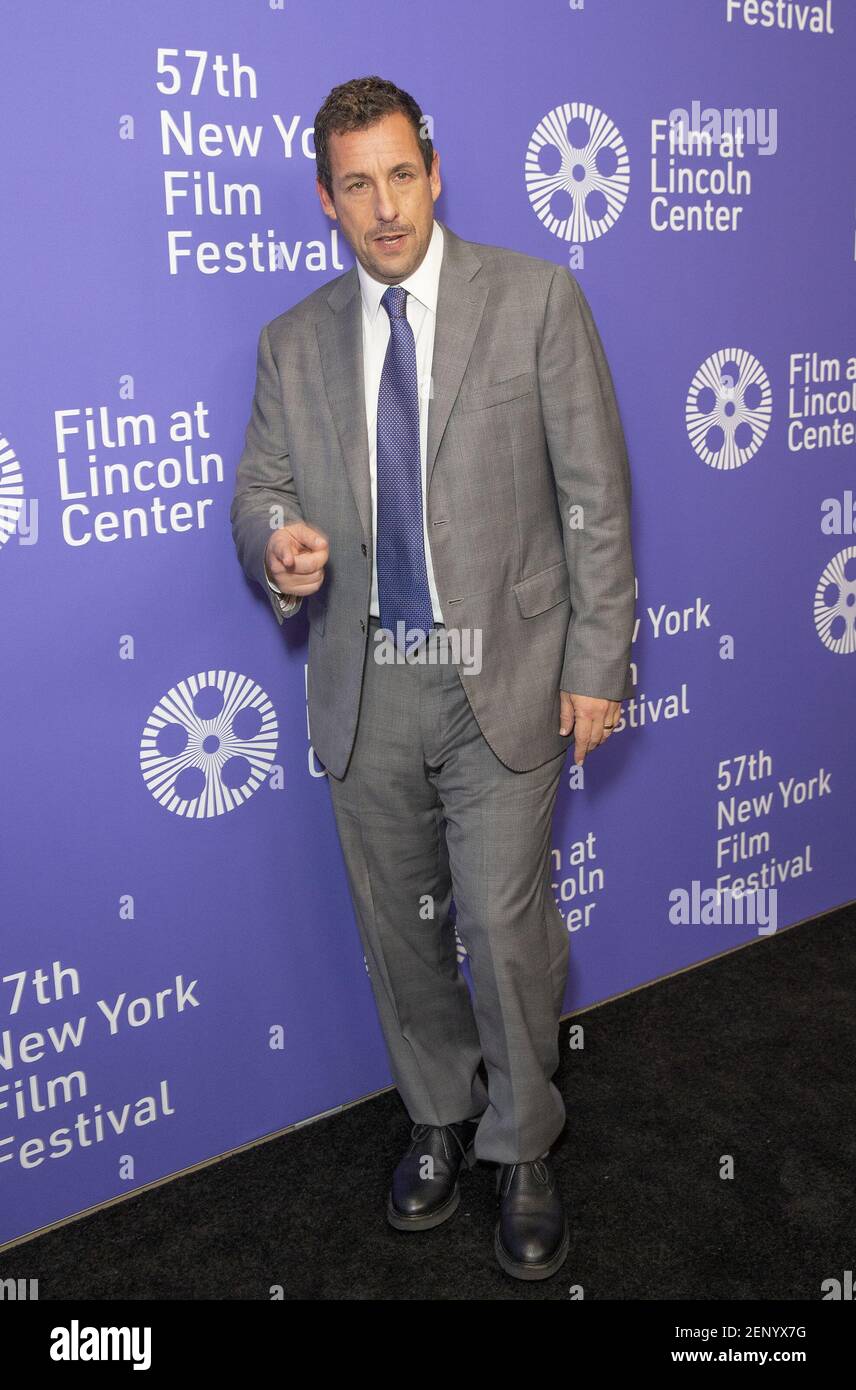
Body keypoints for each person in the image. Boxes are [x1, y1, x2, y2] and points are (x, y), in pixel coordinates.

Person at [230, 75, 635, 1282]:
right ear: (327, 199)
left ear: (435, 172)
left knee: (504, 927)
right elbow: (258, 492)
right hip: (367, 679)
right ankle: (438, 1117)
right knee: (400, 933)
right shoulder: (292, 343)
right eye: (356, 184)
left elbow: (595, 499)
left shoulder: (535, 298)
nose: (384, 205)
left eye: (401, 174)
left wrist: (596, 660)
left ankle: (521, 1142)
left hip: (502, 671)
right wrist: (275, 547)